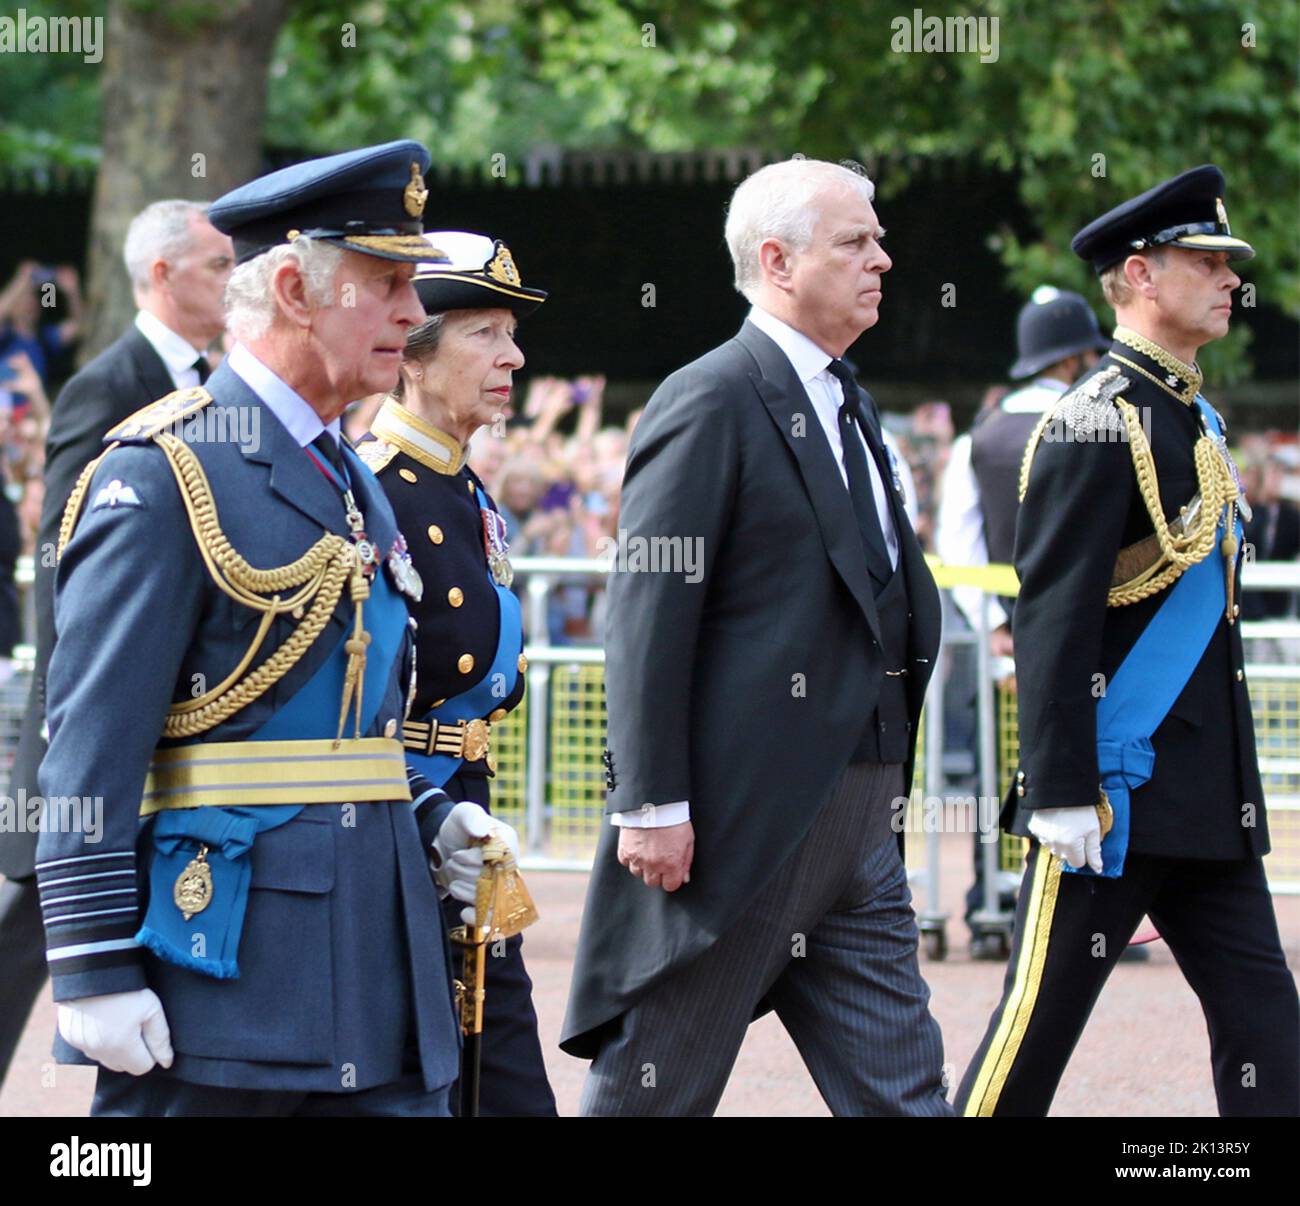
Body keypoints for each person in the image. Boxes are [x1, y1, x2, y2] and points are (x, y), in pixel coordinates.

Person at [33, 140, 490, 1117]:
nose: (414, 316)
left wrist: (426, 810)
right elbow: (89, 745)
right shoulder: (161, 473)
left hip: (379, 963)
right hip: (228, 974)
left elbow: (325, 722)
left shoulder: (350, 474)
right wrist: (89, 966)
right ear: (291, 287)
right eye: (389, 284)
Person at [561, 157, 950, 1116]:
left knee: (904, 1092)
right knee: (654, 1093)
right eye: (856, 241)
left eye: (880, 239)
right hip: (746, 824)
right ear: (777, 260)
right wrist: (649, 799)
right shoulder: (712, 396)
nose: (884, 260)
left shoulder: (844, 396)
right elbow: (649, 610)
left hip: (861, 812)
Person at [957, 165, 1299, 1117]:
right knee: (1030, 1040)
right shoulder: (1094, 422)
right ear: (1140, 276)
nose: (1232, 278)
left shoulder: (1190, 415)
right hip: (1111, 798)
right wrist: (1061, 789)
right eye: (1207, 260)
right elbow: (1054, 616)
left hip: (1205, 802)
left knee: (1269, 1033)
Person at [0, 199, 234, 1088]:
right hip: (98, 709)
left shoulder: (222, 380)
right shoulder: (109, 383)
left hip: (174, 707)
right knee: (36, 917)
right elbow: (65, 563)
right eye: (217, 264)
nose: (233, 277)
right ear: (163, 275)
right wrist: (80, 706)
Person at [357, 229, 555, 1115]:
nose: (512, 356)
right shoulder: (372, 489)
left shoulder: (466, 490)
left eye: (511, 333)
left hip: (467, 808)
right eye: (483, 332)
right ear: (411, 355)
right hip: (397, 817)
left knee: (501, 1076)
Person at [937, 286, 1107, 959]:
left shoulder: (977, 437)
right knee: (1090, 766)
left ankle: (992, 899)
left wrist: (996, 627)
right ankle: (1091, 915)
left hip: (1003, 640)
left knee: (991, 771)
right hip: (1093, 640)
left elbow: (959, 546)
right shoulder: (1098, 420)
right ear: (1075, 357)